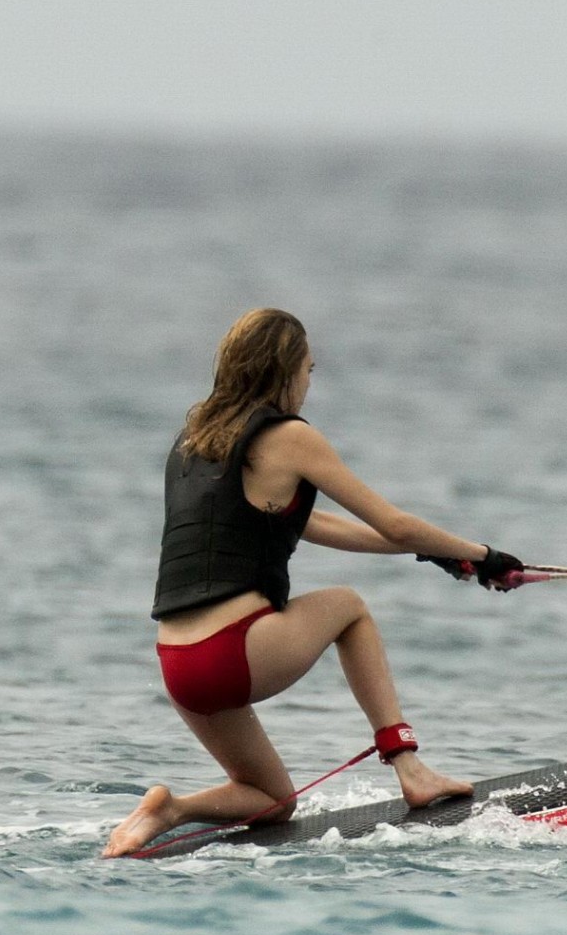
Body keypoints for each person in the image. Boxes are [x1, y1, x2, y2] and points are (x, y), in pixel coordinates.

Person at [102, 308, 522, 858]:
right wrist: (483, 554)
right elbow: (390, 521)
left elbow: (309, 524)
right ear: (285, 370)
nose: (308, 384)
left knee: (271, 801)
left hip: (178, 663)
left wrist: (435, 551)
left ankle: (168, 809)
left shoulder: (194, 439)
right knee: (349, 607)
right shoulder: (290, 436)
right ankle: (410, 768)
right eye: (309, 370)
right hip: (232, 650)